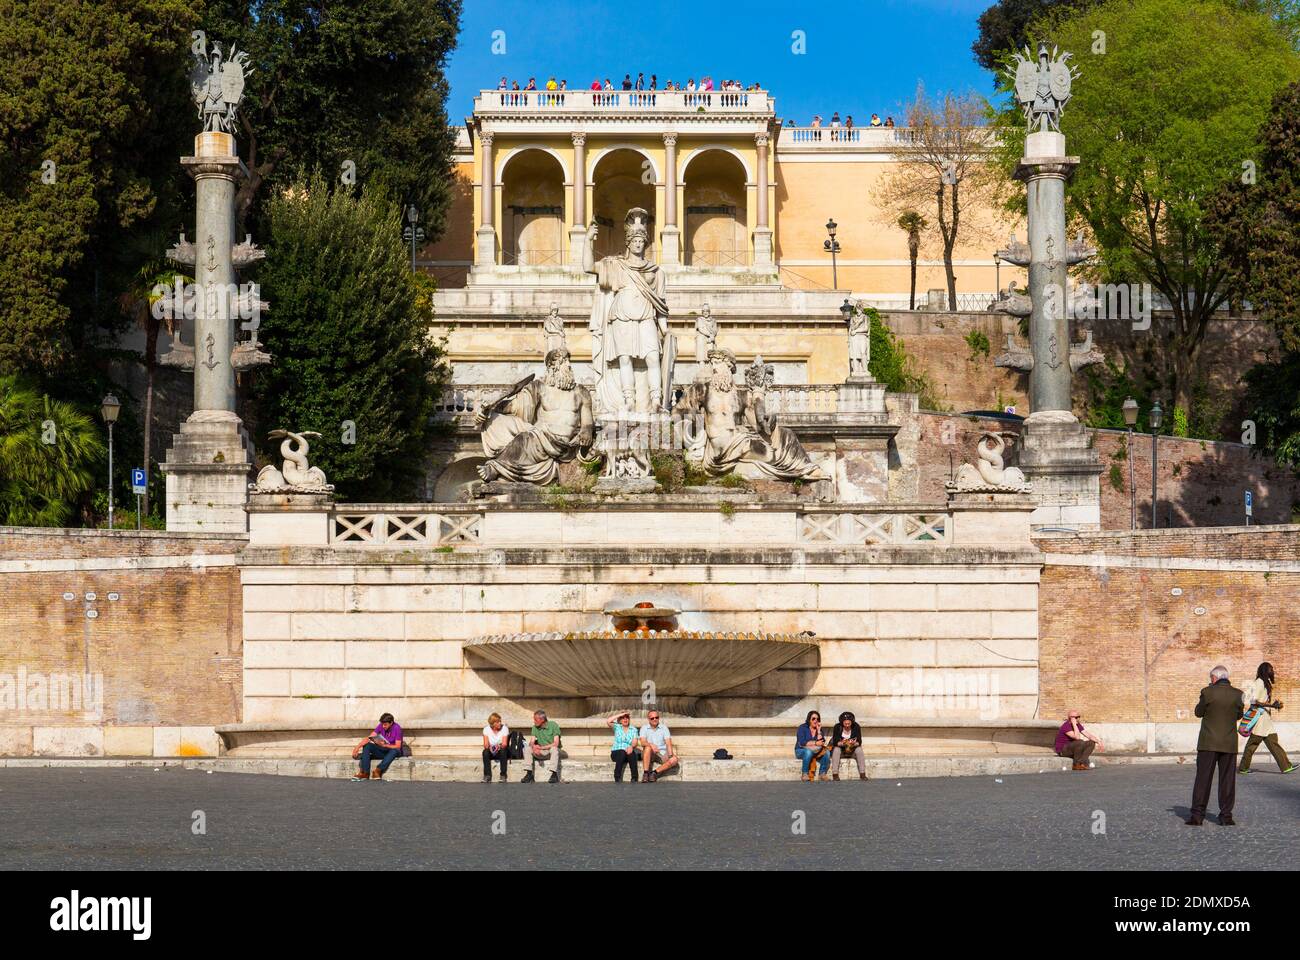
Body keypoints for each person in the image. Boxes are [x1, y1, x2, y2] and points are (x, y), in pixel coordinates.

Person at [1187, 665, 1244, 826]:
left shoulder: (1207, 692)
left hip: (1208, 743)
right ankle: (1226, 816)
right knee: (1227, 781)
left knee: (1203, 780)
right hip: (1229, 743)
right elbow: (1239, 715)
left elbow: (1199, 712)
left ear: (1214, 678)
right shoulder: (1238, 694)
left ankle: (1197, 816)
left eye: (1210, 678)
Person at [1239, 661, 1294, 774]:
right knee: (1252, 745)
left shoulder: (1265, 682)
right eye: (1270, 669)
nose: (1272, 671)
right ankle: (1243, 768)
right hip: (1259, 720)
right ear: (1264, 670)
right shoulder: (1259, 683)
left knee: (1273, 742)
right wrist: (1271, 705)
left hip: (1266, 720)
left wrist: (1274, 705)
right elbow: (1254, 701)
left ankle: (1286, 766)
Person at [351, 712, 403, 781]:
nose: (383, 726)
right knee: (367, 745)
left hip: (392, 752)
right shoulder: (381, 725)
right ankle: (365, 773)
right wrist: (357, 747)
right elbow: (369, 737)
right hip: (383, 751)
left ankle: (378, 770)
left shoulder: (397, 728)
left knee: (395, 751)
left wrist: (385, 745)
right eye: (382, 724)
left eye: (385, 725)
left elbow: (398, 746)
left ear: (391, 723)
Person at [522, 709, 562, 783]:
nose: (534, 721)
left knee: (554, 749)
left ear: (542, 719)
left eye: (535, 719)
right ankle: (529, 774)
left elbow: (556, 743)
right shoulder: (534, 727)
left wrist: (540, 747)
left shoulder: (553, 725)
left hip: (550, 751)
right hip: (540, 751)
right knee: (528, 748)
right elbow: (531, 742)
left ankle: (554, 774)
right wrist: (534, 748)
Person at [639, 709, 678, 781]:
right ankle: (646, 773)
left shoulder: (664, 728)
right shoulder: (644, 728)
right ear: (648, 719)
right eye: (652, 718)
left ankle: (654, 773)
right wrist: (651, 745)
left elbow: (668, 743)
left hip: (661, 753)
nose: (655, 719)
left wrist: (670, 755)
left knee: (674, 759)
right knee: (647, 747)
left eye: (656, 717)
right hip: (649, 753)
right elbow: (643, 742)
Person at [829, 711, 867, 780]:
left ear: (851, 722)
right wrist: (843, 743)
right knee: (836, 749)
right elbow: (835, 742)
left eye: (848, 723)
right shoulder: (837, 727)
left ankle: (862, 774)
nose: (847, 725)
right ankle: (835, 774)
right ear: (842, 722)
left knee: (859, 749)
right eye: (845, 723)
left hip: (852, 750)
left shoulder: (856, 726)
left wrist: (853, 743)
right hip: (842, 751)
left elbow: (859, 742)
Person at [795, 710, 831, 781]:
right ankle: (805, 774)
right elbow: (801, 742)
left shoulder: (819, 729)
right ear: (809, 719)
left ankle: (822, 774)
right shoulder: (802, 728)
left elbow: (821, 742)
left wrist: (819, 731)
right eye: (813, 719)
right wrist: (815, 743)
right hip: (801, 750)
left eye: (817, 719)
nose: (815, 721)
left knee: (827, 752)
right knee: (808, 752)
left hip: (815, 750)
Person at [606, 710, 642, 782]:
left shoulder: (633, 729)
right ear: (620, 720)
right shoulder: (617, 727)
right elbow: (608, 721)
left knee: (632, 754)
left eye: (627, 717)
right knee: (622, 752)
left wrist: (631, 747)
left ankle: (634, 777)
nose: (625, 719)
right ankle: (617, 777)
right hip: (616, 753)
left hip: (628, 752)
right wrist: (620, 714)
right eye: (623, 718)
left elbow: (635, 741)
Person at [482, 712, 510, 782]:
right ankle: (487, 776)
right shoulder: (486, 729)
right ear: (492, 723)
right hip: (492, 750)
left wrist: (498, 746)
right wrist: (490, 747)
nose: (500, 723)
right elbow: (485, 745)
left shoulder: (504, 728)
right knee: (485, 752)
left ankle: (503, 775)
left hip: (501, 750)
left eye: (500, 721)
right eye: (497, 722)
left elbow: (504, 744)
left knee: (503, 750)